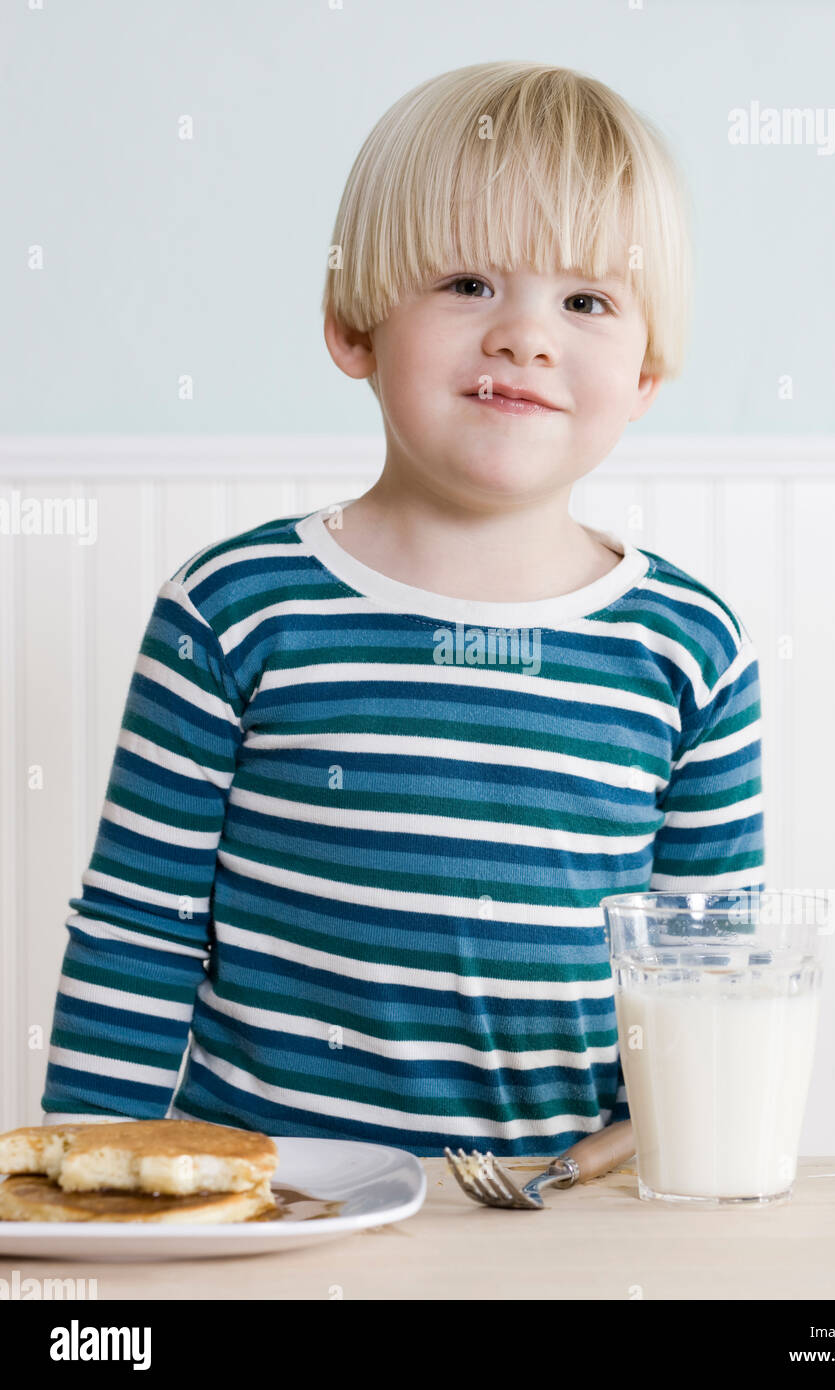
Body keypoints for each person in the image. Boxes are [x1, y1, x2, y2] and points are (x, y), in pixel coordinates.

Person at [40, 61, 764, 1155]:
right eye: (468, 282)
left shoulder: (688, 647)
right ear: (354, 329)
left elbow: (708, 967)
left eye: (584, 301)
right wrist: (93, 1183)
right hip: (273, 1208)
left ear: (644, 377)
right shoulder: (233, 612)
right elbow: (139, 927)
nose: (524, 336)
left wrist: (645, 1151)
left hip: (558, 1216)